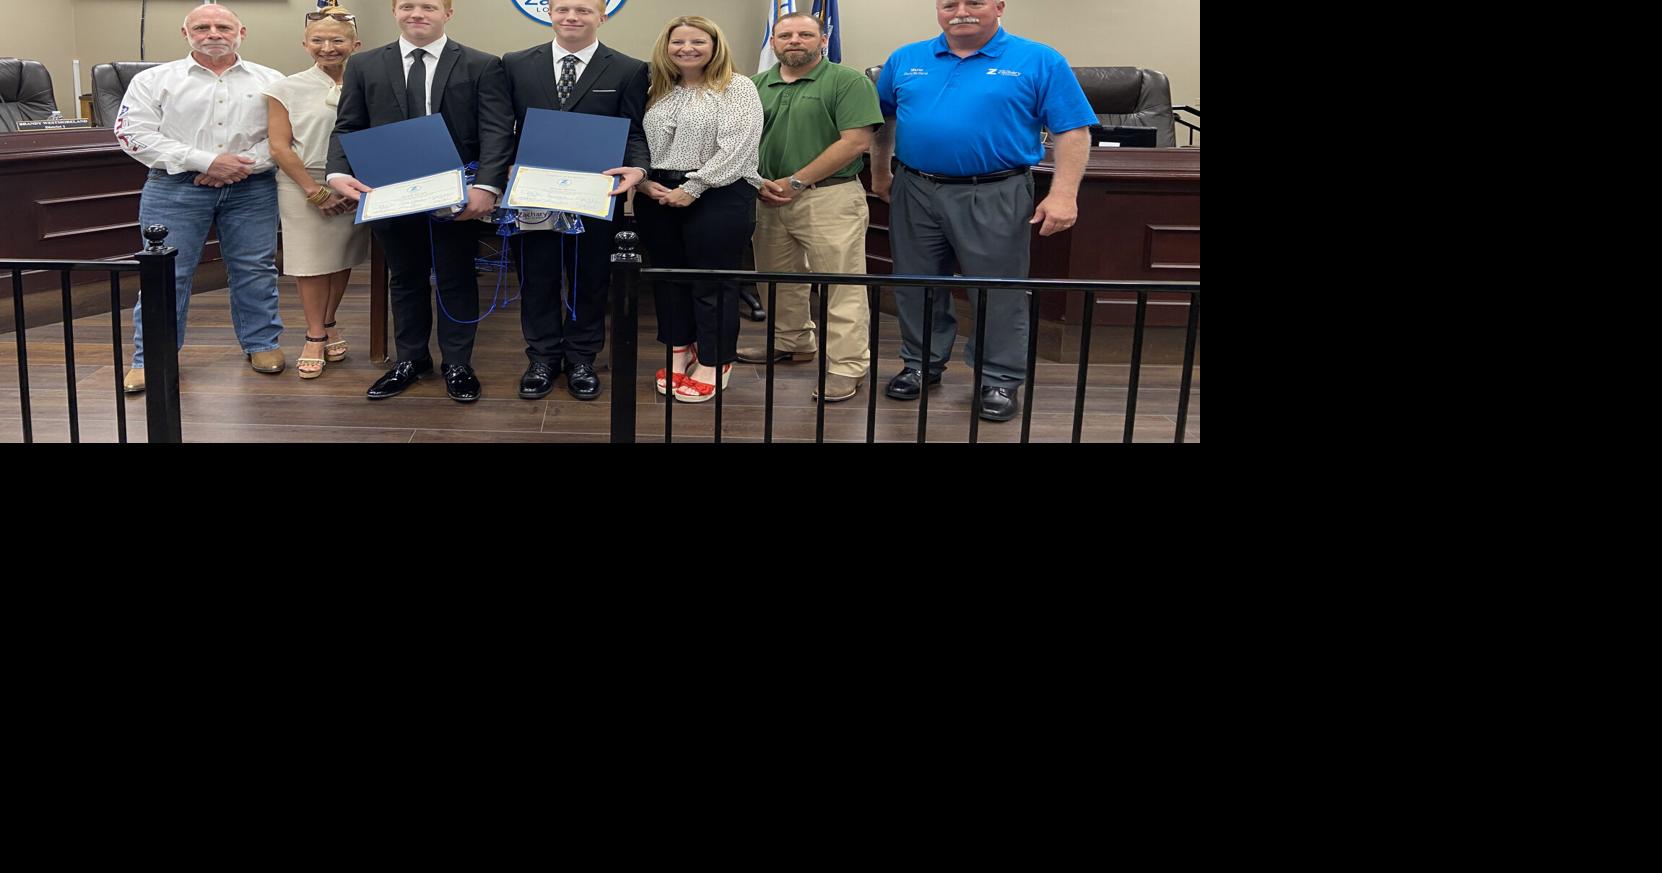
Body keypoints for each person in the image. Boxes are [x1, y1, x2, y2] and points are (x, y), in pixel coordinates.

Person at [870, 0, 1095, 421]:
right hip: (915, 187)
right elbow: (881, 121)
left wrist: (1064, 194)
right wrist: (880, 171)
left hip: (995, 189)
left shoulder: (1039, 59)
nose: (961, 12)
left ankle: (998, 379)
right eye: (949, 4)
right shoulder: (906, 58)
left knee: (998, 289)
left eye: (974, 2)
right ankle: (921, 364)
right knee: (915, 283)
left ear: (998, 7)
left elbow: (1072, 129)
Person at [326, 0, 513, 402]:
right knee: (405, 277)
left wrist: (488, 186)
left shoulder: (482, 64)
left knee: (456, 277)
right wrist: (337, 172)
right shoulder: (364, 65)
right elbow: (348, 125)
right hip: (389, 193)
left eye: (428, 5)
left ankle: (458, 362)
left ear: (448, 13)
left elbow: (496, 130)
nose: (417, 13)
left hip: (459, 194)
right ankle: (410, 360)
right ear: (395, 11)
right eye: (407, 5)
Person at [113, 2, 285, 394]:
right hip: (174, 187)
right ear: (185, 34)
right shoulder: (154, 80)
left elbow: (282, 137)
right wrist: (206, 161)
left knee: (256, 268)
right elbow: (133, 134)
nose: (213, 33)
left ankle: (262, 343)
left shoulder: (271, 79)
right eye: (202, 26)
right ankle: (151, 358)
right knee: (166, 274)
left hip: (251, 187)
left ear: (241, 33)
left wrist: (238, 166)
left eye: (223, 26)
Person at [501, 1, 649, 400]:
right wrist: (499, 173)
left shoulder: (628, 68)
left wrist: (638, 169)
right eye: (563, 8)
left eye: (583, 9)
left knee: (590, 278)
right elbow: (500, 126)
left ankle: (582, 357)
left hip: (595, 194)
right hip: (532, 192)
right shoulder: (514, 63)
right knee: (537, 276)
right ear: (548, 12)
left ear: (602, 16)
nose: (571, 16)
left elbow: (634, 131)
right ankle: (543, 357)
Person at [740, 10, 883, 402]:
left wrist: (798, 181)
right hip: (767, 197)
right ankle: (793, 342)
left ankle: (847, 367)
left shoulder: (847, 80)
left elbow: (855, 142)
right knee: (776, 278)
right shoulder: (754, 85)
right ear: (773, 43)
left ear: (823, 39)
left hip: (829, 196)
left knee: (843, 283)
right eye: (785, 35)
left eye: (805, 34)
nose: (795, 41)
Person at [634, 15, 765, 403]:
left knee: (712, 281)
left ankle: (713, 359)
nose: (686, 49)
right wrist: (643, 181)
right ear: (666, 47)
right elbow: (636, 137)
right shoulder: (655, 88)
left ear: (714, 46)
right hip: (656, 192)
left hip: (719, 191)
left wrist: (694, 186)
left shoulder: (736, 87)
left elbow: (740, 147)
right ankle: (678, 349)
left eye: (697, 42)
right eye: (678, 42)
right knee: (668, 278)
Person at [262, 2, 369, 379]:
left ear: (355, 45)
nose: (328, 47)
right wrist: (314, 191)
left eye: (337, 40)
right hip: (303, 181)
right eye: (318, 40)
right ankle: (313, 335)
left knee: (340, 258)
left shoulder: (367, 80)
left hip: (355, 182)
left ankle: (329, 322)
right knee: (310, 264)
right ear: (305, 44)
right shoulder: (284, 88)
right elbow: (279, 146)